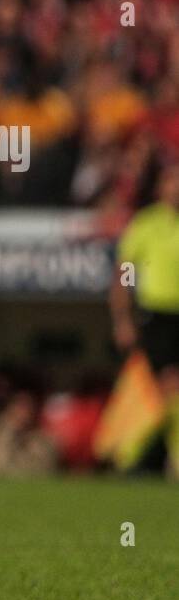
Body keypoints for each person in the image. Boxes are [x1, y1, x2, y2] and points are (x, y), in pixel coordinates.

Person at [110, 162, 179, 477]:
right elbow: (124, 274)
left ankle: (134, 455)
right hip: (159, 315)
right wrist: (123, 319)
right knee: (167, 385)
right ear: (161, 187)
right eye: (171, 180)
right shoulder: (147, 224)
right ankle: (153, 457)